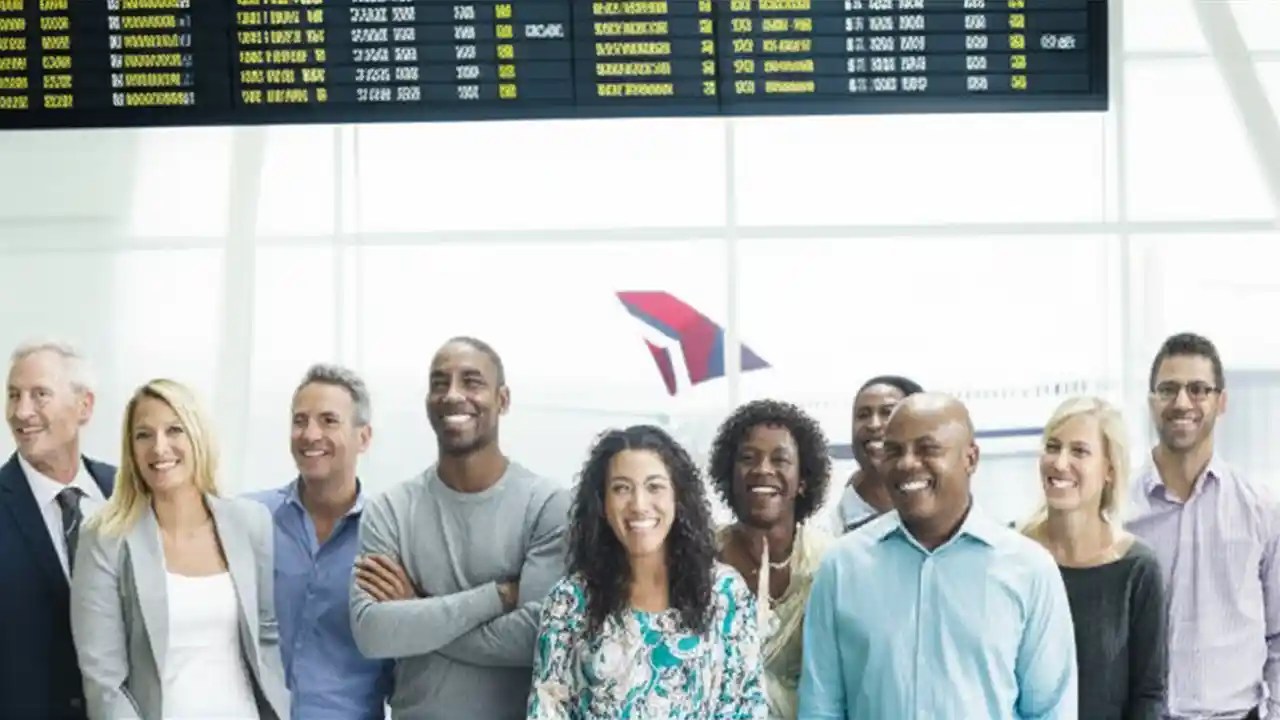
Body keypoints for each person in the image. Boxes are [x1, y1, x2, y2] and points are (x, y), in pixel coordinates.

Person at [798, 392, 1077, 719]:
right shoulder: (842, 567)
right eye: (894, 451)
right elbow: (820, 707)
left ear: (970, 458)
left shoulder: (1029, 570)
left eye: (927, 449)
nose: (907, 463)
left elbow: (1050, 710)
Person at [349, 336, 570, 720]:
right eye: (439, 383)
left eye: (471, 382)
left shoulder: (547, 506)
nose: (452, 394)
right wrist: (499, 597)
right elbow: (373, 633)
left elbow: (534, 638)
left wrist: (417, 614)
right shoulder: (389, 510)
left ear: (503, 400)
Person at [69, 378, 289, 720]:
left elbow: (266, 637)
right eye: (144, 434)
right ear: (130, 449)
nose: (159, 448)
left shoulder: (250, 523)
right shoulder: (105, 537)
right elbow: (104, 682)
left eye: (174, 430)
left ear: (197, 436)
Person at [527, 424, 767, 719]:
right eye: (622, 488)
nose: (639, 505)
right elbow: (548, 709)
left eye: (654, 486)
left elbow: (747, 706)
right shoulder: (569, 602)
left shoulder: (725, 593)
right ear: (602, 503)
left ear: (677, 498)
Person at [1126, 332, 1280, 720]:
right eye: (1168, 390)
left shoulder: (1262, 509)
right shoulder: (1118, 512)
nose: (1182, 403)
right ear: (1151, 402)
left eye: (1198, 390)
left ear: (1221, 401)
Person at [249, 364, 393, 719]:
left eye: (329, 420)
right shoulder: (249, 518)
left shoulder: (391, 536)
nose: (310, 434)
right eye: (300, 421)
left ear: (364, 437)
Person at [1022, 396, 1166, 719]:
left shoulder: (1137, 568)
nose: (1059, 463)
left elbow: (1148, 694)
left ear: (1109, 471)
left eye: (1079, 451)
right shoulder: (1011, 556)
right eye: (1053, 446)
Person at [0, 340, 115, 719]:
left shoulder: (127, 493)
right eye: (13, 395)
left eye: (40, 395)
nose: (22, 411)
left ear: (85, 406)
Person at [708, 399, 834, 719]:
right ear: (729, 475)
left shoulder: (830, 562)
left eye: (780, 459)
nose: (763, 469)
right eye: (748, 458)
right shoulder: (701, 558)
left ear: (803, 479)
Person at [829, 375, 923, 534]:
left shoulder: (944, 514)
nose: (874, 425)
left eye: (888, 412)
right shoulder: (825, 521)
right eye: (863, 415)